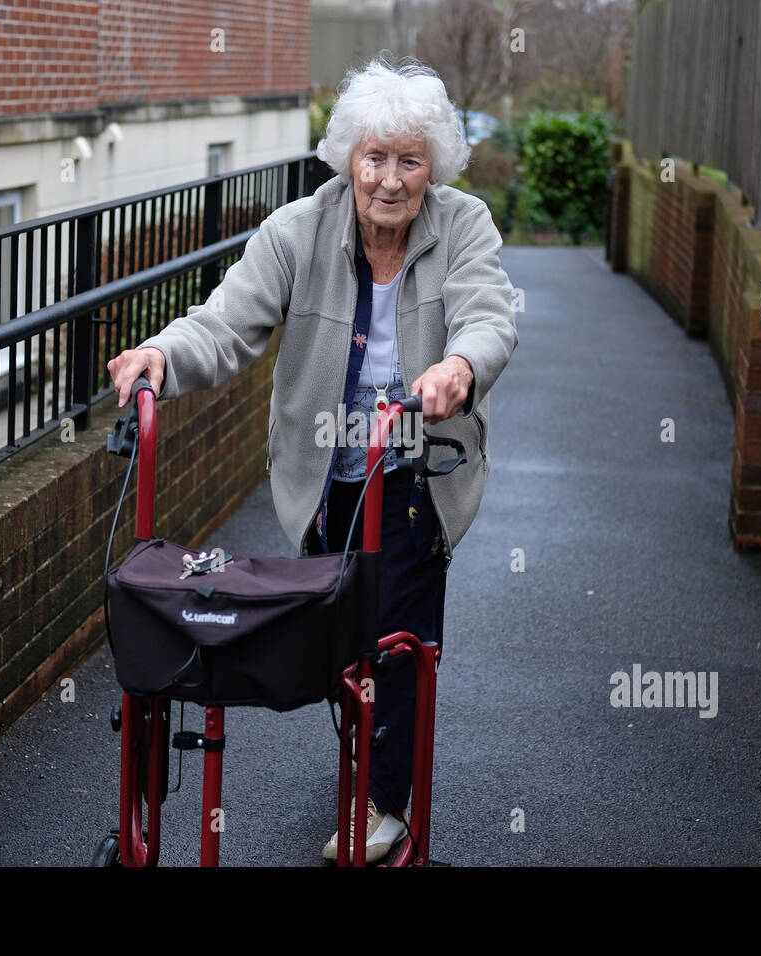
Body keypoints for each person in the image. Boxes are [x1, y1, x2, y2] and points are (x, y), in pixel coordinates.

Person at [107, 54, 518, 863]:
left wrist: (457, 368)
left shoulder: (463, 225)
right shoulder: (299, 230)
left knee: (395, 637)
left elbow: (490, 316)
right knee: (337, 637)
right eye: (375, 158)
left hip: (413, 470)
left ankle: (384, 805)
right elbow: (224, 322)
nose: (391, 180)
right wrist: (161, 351)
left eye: (409, 160)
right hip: (324, 477)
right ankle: (364, 757)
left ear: (433, 166)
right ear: (348, 159)